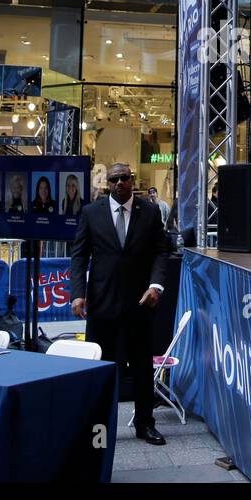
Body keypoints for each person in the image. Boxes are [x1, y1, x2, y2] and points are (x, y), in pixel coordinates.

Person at [69, 162, 168, 445]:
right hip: (102, 306)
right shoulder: (91, 213)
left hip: (139, 305)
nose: (119, 183)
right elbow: (79, 256)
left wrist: (156, 285)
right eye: (114, 179)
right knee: (103, 369)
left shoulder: (149, 211)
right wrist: (77, 293)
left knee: (141, 368)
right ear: (107, 184)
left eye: (124, 178)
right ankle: (99, 427)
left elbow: (162, 252)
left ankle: (145, 424)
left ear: (132, 179)